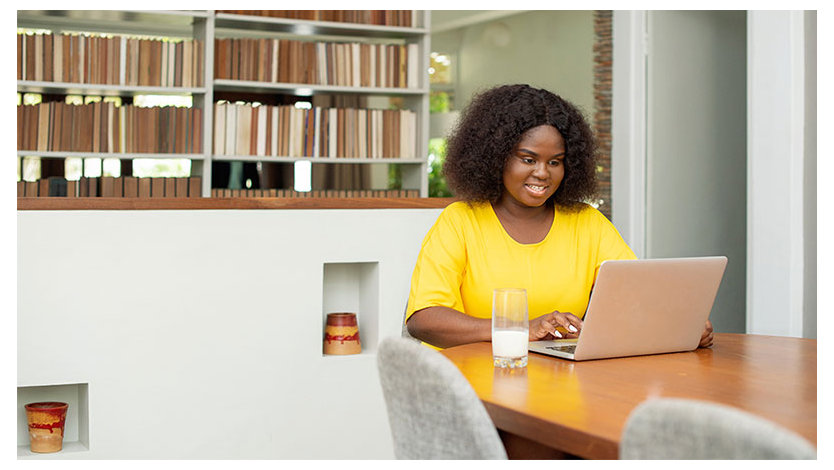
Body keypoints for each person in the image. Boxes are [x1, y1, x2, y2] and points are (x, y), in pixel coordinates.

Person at [405, 84, 714, 349]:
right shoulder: (460, 221)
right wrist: (521, 329)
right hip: (474, 384)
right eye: (528, 159)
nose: (542, 173)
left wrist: (680, 324)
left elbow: (638, 296)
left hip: (559, 381)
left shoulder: (587, 223)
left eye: (555, 162)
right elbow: (423, 319)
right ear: (496, 156)